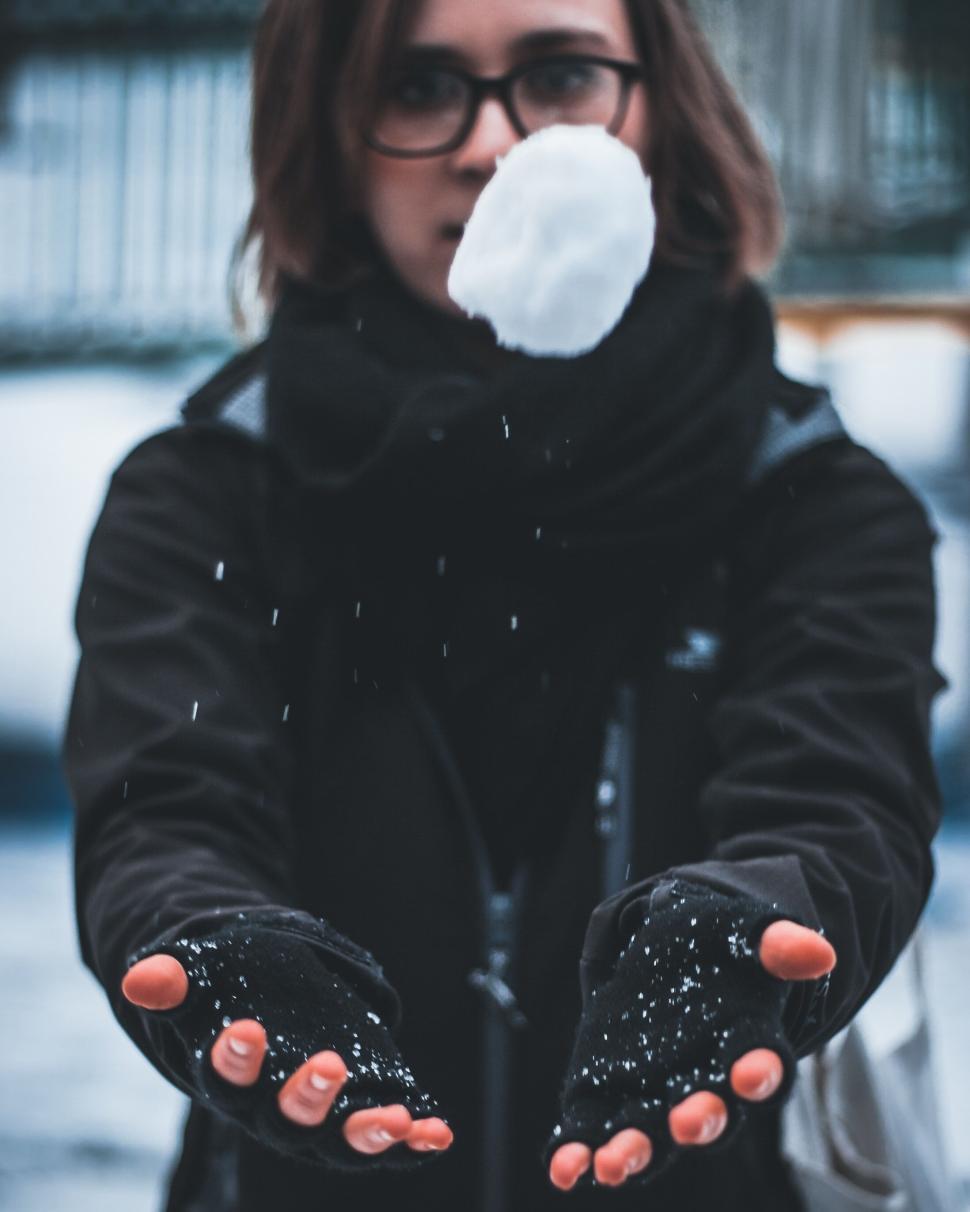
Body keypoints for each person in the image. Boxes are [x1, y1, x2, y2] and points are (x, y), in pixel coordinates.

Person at [63, 1, 948, 1209]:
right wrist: (208, 938)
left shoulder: (809, 501)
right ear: (329, 132)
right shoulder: (210, 497)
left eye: (560, 74)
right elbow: (164, 803)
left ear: (666, 112)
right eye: (419, 90)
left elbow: (837, 790)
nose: (492, 147)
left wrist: (756, 915)